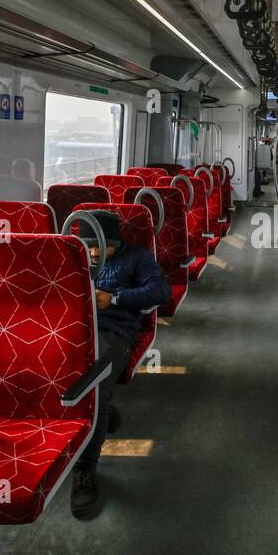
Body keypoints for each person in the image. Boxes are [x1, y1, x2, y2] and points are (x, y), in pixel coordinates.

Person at [70, 210, 171, 518]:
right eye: (90, 247)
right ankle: (101, 412)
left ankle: (85, 471)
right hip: (71, 328)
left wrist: (113, 298)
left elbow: (160, 291)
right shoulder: (70, 256)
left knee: (95, 383)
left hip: (113, 331)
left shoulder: (138, 258)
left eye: (104, 247)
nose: (96, 253)